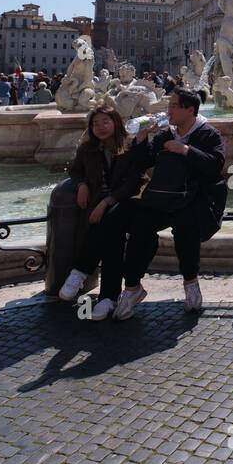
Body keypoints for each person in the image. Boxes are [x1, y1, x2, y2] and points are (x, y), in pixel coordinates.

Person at [109, 89, 227, 318]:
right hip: (162, 197)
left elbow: (215, 166)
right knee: (138, 226)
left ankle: (191, 283)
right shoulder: (165, 134)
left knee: (186, 229)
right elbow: (142, 162)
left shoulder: (209, 134)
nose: (168, 111)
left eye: (173, 106)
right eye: (169, 106)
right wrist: (141, 139)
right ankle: (132, 287)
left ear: (189, 110)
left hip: (194, 199)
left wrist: (185, 150)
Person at [57, 102, 147, 320]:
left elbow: (135, 181)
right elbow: (75, 170)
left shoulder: (131, 144)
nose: (100, 126)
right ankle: (108, 298)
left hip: (127, 203)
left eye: (105, 121)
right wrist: (81, 185)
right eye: (95, 123)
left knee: (109, 223)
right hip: (101, 205)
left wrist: (107, 201)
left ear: (116, 122)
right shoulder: (87, 148)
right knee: (111, 240)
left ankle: (80, 271)